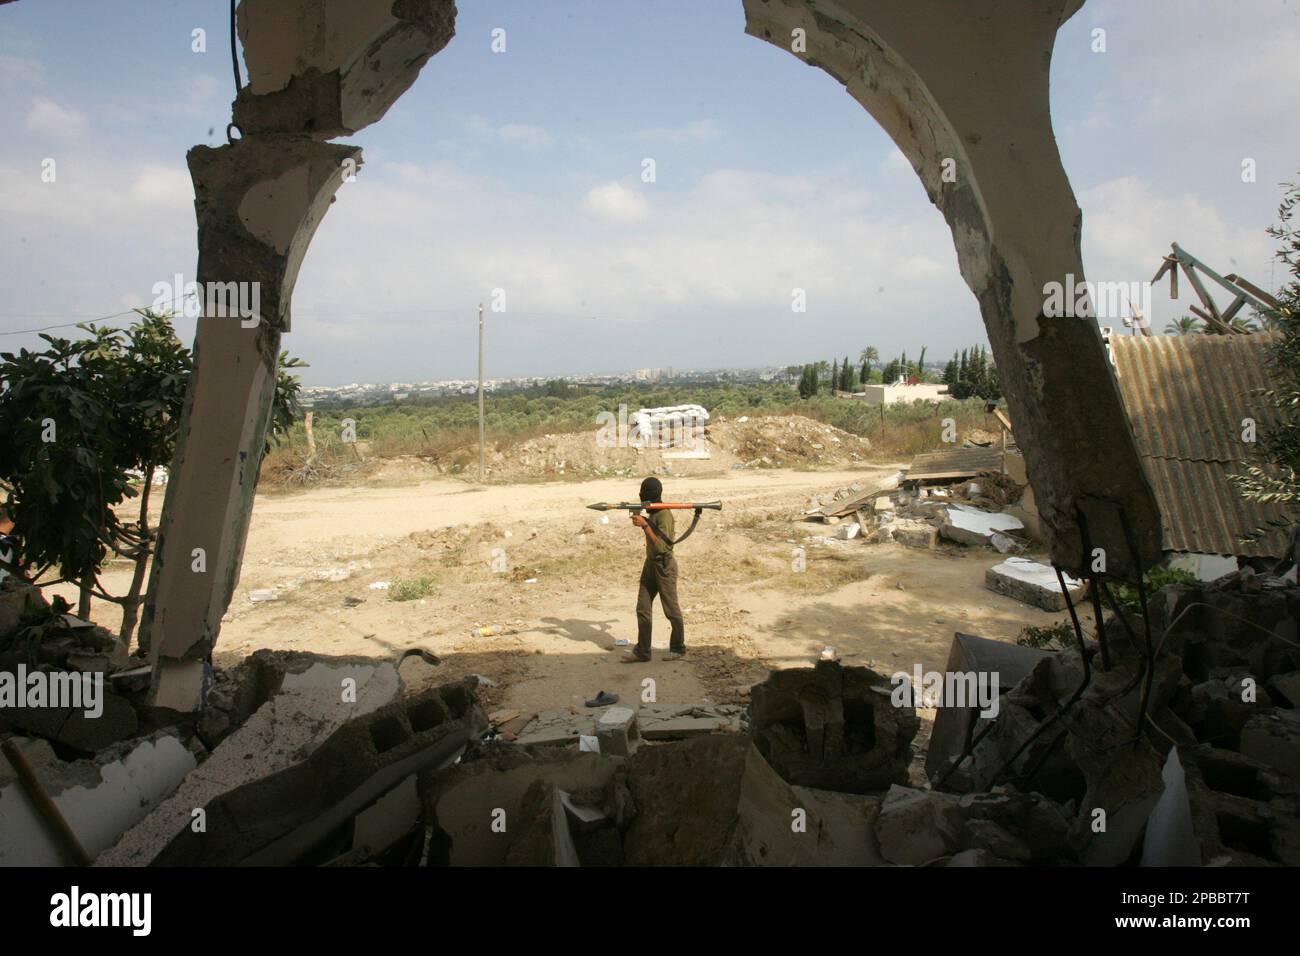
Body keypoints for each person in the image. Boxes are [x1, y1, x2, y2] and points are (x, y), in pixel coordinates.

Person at [622, 476, 686, 663]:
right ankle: (643, 651)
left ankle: (678, 647)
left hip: (664, 565)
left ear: (649, 497)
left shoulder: (664, 515)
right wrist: (644, 520)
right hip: (650, 564)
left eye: (644, 496)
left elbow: (661, 547)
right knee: (643, 607)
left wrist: (644, 526)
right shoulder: (653, 512)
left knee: (671, 609)